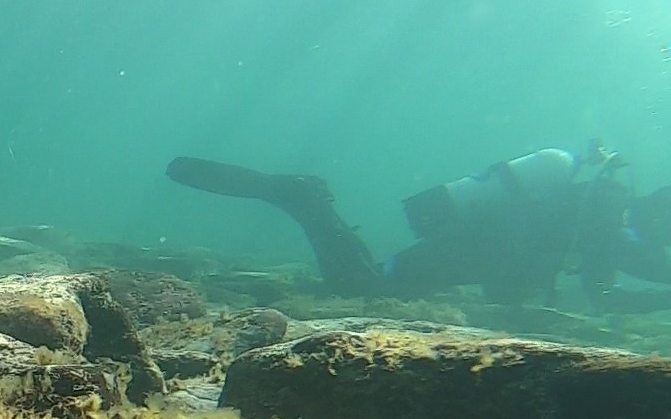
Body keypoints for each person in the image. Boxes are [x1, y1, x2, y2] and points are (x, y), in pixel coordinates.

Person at [165, 145, 671, 311]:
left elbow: (618, 282)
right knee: (360, 285)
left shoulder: (604, 207)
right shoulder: (611, 213)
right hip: (472, 249)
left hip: (474, 249)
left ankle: (307, 203)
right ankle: (308, 202)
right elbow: (623, 278)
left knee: (365, 282)